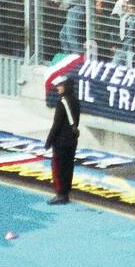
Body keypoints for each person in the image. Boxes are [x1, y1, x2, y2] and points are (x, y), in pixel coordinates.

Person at [45, 74, 81, 204]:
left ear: (65, 87)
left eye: (60, 86)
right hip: (72, 140)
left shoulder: (62, 102)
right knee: (68, 167)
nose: (58, 88)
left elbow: (57, 124)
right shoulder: (76, 101)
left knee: (58, 167)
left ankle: (60, 193)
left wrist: (49, 141)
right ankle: (66, 192)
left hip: (61, 141)